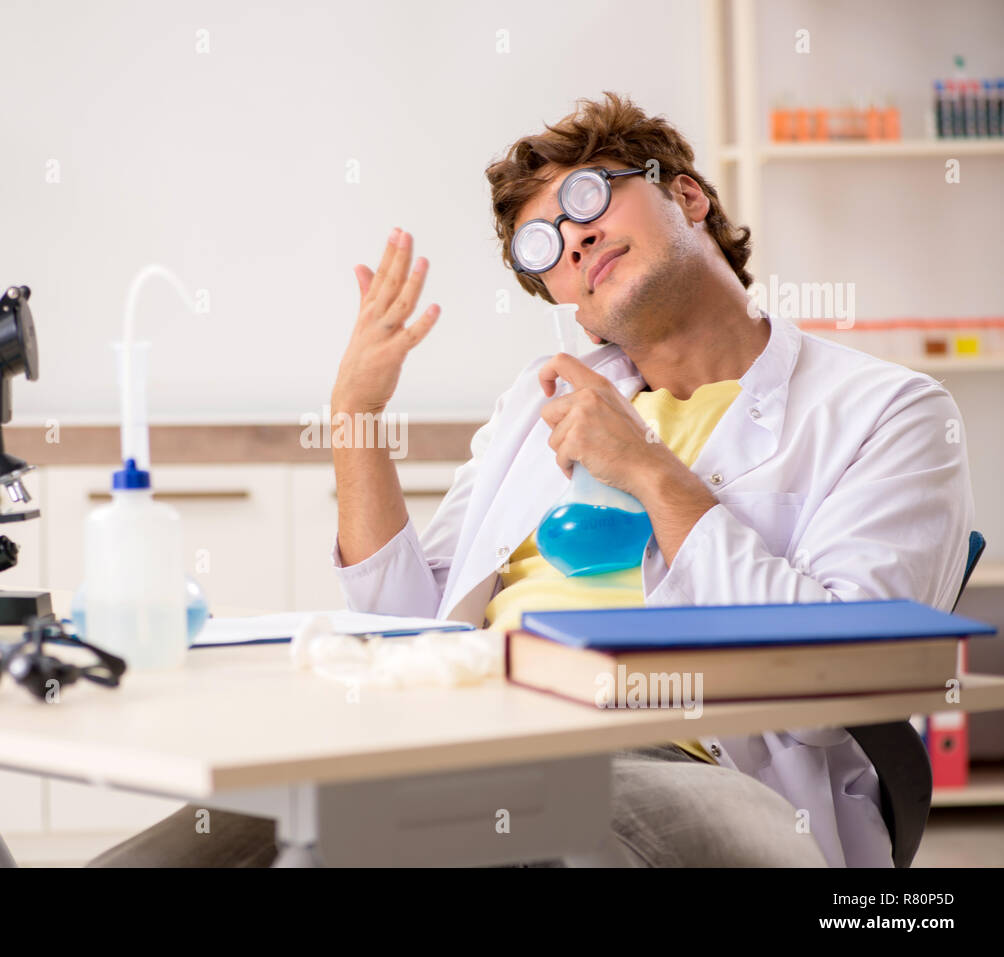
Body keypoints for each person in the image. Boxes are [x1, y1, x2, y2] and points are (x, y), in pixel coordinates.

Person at [91, 92, 972, 868]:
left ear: (688, 196)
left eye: (591, 195)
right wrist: (355, 413)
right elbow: (403, 623)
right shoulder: (539, 404)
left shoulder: (888, 412)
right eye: (542, 242)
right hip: (460, 731)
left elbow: (839, 685)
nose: (575, 235)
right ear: (562, 300)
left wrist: (650, 470)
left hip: (683, 759)